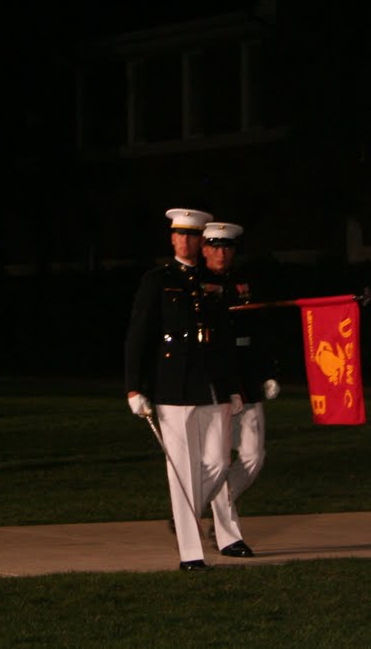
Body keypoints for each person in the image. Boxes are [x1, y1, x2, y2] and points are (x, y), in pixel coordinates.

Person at [125, 207, 250, 572]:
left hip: (211, 385)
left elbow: (224, 340)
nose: (186, 241)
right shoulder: (157, 280)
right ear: (172, 239)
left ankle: (185, 512)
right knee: (181, 468)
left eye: (192, 236)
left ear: (201, 240)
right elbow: (138, 335)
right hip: (172, 386)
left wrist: (233, 388)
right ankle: (190, 552)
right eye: (180, 235)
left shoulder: (213, 282)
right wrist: (134, 388)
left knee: (217, 461)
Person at [200, 222, 277, 527]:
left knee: (253, 456)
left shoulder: (246, 283)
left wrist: (269, 372)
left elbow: (262, 330)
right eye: (215, 246)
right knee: (215, 460)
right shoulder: (194, 282)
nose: (221, 253)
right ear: (204, 249)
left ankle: (213, 503)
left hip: (247, 379)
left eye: (227, 247)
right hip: (213, 382)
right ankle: (220, 525)